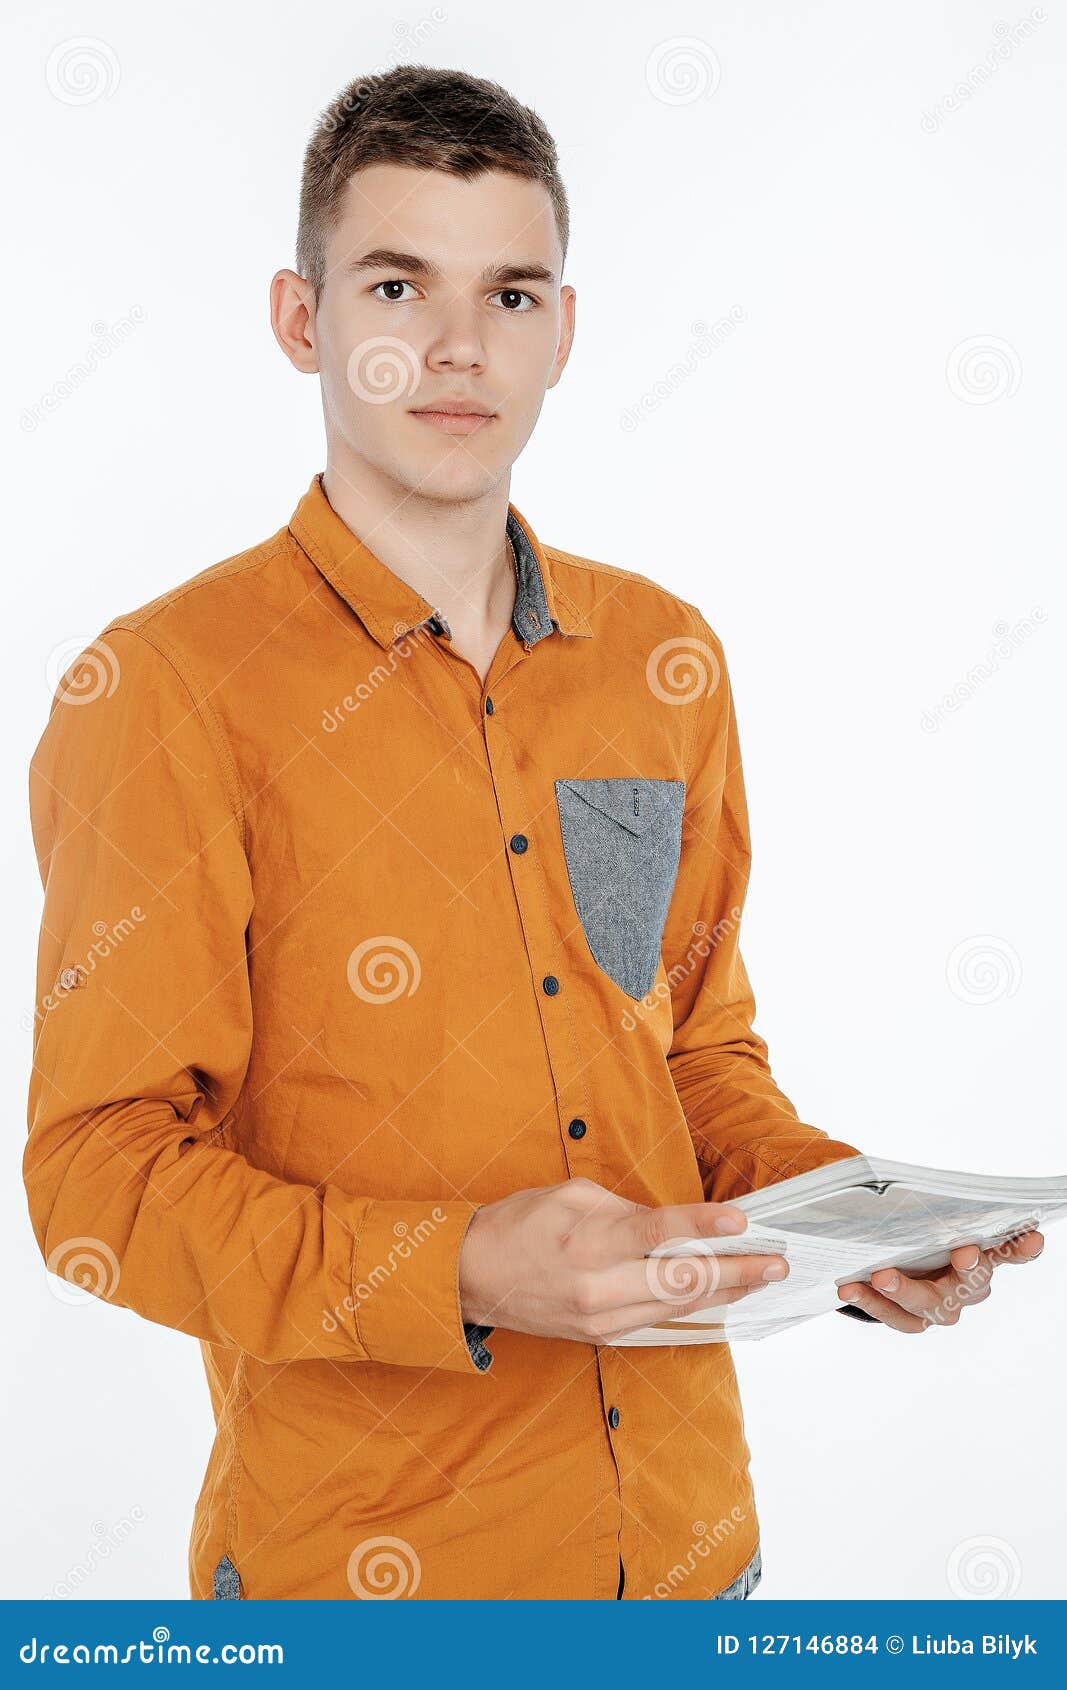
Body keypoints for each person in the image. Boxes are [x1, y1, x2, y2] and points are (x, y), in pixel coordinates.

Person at [25, 64, 1043, 1603]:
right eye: (395, 284)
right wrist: (457, 1271)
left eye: (510, 292)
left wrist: (845, 1219)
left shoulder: (662, 656)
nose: (455, 347)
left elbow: (690, 1053)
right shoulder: (168, 688)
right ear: (303, 322)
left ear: (564, 329)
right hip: (371, 1589)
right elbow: (96, 1178)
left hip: (699, 1554)